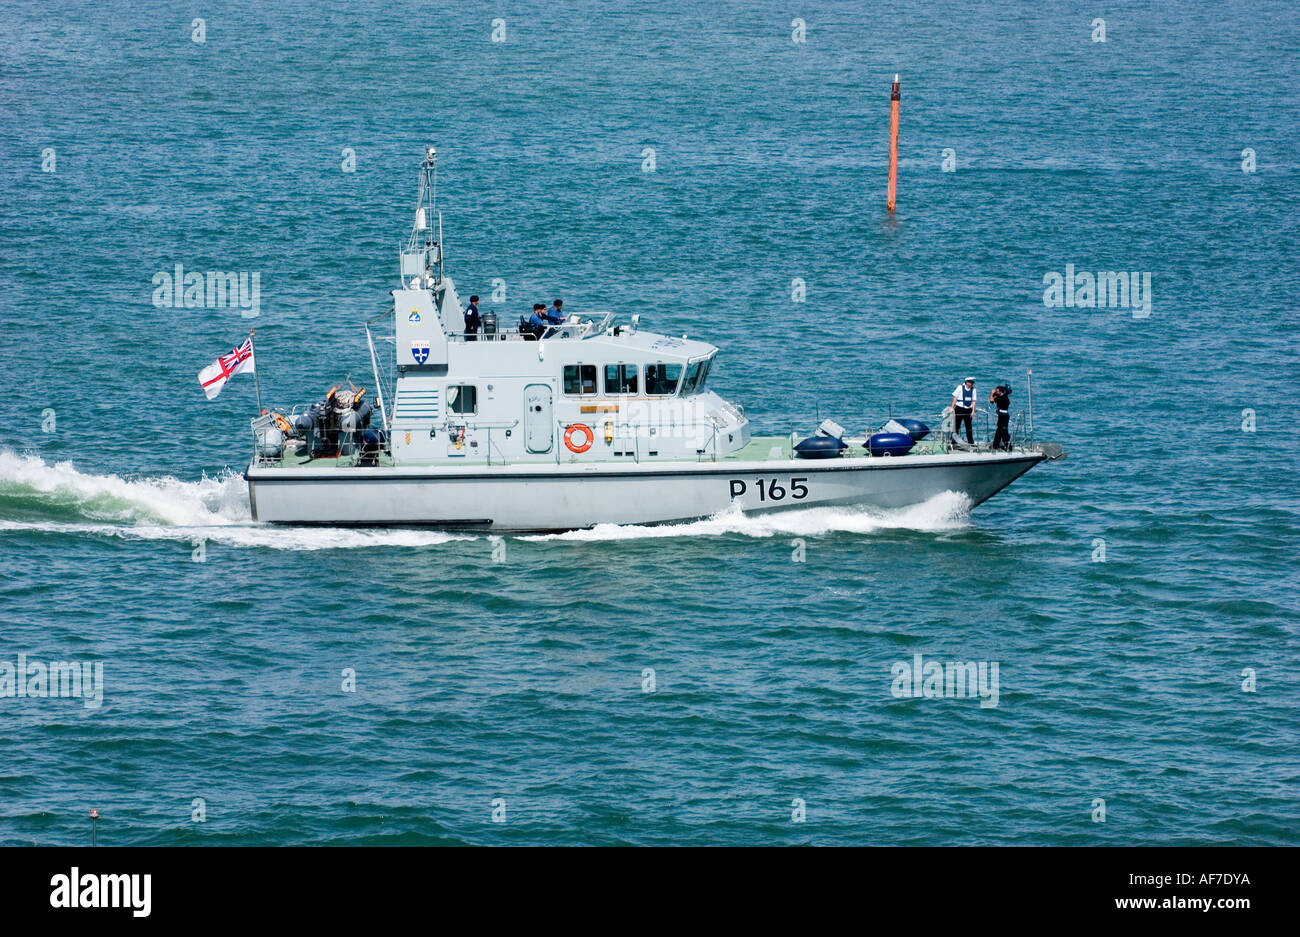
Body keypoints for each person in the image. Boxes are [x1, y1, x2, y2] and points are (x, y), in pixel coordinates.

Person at [951, 376, 976, 444]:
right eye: (970, 382)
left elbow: (974, 401)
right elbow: (955, 398)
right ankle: (953, 441)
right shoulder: (960, 387)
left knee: (968, 426)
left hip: (968, 410)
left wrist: (973, 411)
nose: (972, 383)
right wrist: (952, 407)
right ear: (967, 382)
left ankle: (971, 442)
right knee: (956, 426)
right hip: (959, 408)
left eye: (973, 382)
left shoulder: (973, 390)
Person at [990, 384, 1012, 450]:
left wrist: (991, 393)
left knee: (1003, 430)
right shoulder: (1002, 396)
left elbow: (991, 401)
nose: (996, 392)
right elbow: (994, 399)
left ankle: (1008, 446)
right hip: (1001, 415)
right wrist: (994, 394)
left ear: (1000, 391)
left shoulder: (1003, 398)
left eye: (997, 391)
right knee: (999, 430)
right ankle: (995, 445)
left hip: (1004, 415)